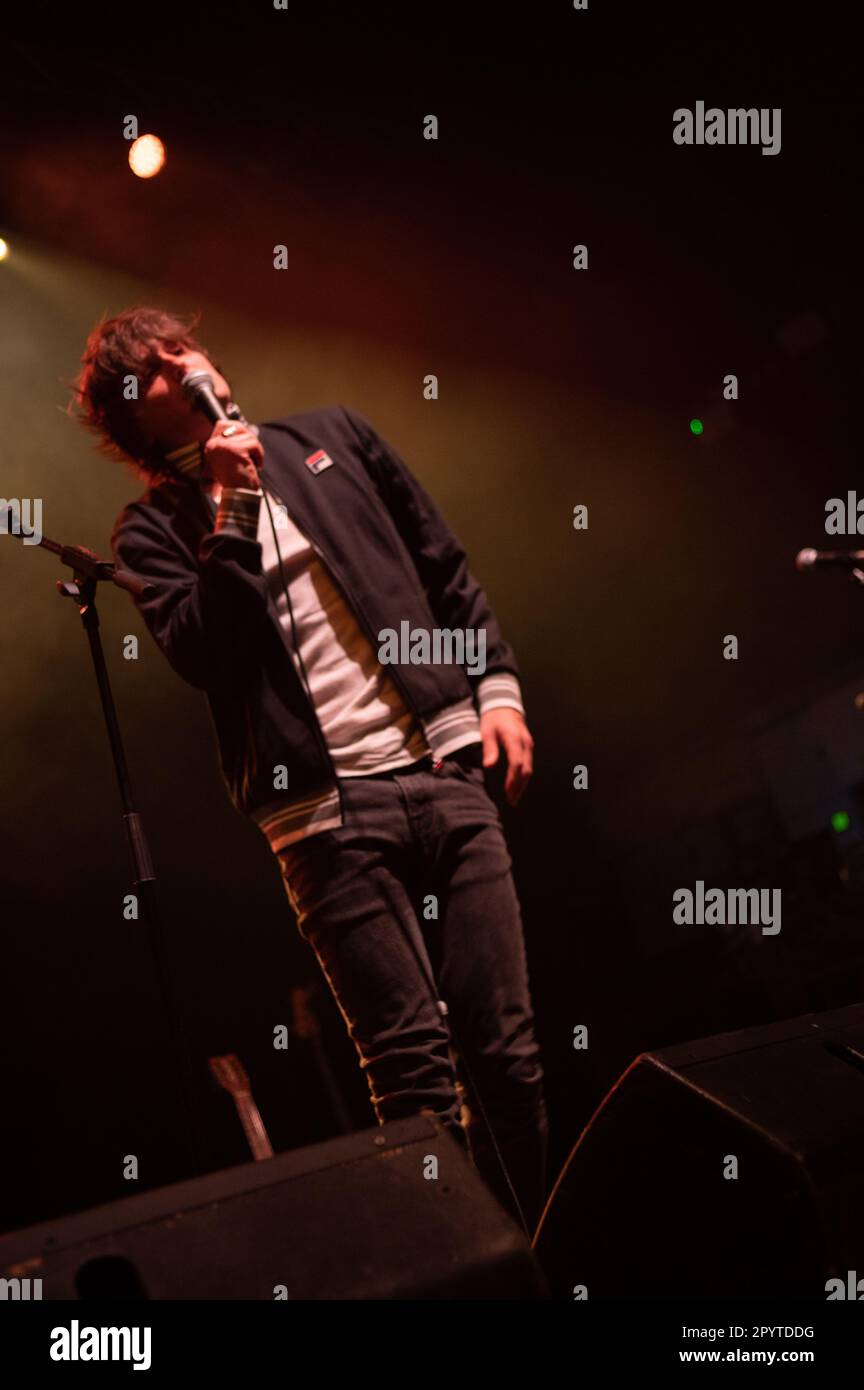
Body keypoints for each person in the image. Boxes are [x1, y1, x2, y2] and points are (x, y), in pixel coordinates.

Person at [73, 305, 549, 1235]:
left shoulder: (333, 436)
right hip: (326, 822)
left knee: (508, 1052)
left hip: (444, 768)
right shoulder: (152, 531)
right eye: (162, 366)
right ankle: (467, 1278)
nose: (187, 359)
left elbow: (444, 568)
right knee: (412, 1073)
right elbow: (206, 650)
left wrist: (498, 690)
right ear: (138, 413)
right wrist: (233, 508)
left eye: (183, 344)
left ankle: (534, 1255)